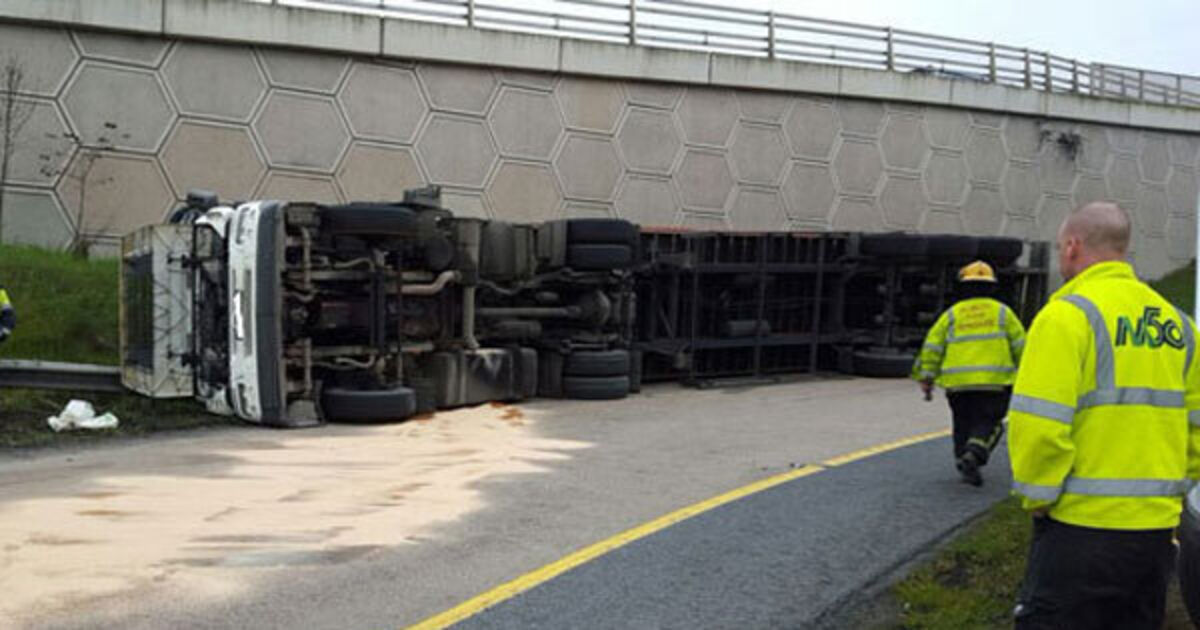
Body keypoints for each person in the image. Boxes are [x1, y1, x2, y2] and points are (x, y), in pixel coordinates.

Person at [1008, 202, 1200, 629]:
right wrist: (1171, 491)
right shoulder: (1178, 325)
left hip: (1079, 531)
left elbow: (1038, 426)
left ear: (1074, 247)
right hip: (1154, 537)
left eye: (1061, 248)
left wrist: (1038, 499)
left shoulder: (1066, 316)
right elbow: (1196, 429)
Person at [912, 259, 1027, 486]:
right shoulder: (1003, 313)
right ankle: (974, 454)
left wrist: (926, 377)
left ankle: (962, 460)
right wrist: (1027, 375)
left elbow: (932, 347)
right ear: (992, 287)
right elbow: (1021, 346)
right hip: (994, 384)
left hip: (957, 385)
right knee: (990, 423)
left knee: (962, 422)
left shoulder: (952, 315)